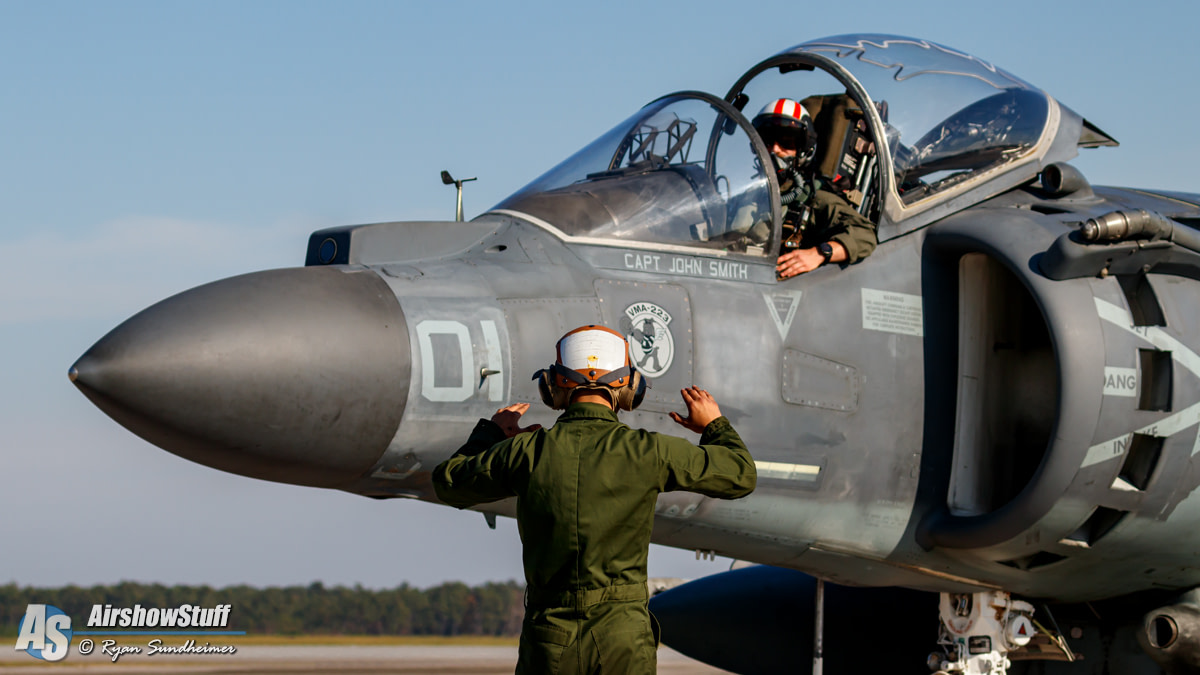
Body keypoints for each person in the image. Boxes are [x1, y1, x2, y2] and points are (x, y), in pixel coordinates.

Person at [432, 325, 756, 674]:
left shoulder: (524, 453)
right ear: (631, 387)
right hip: (622, 639)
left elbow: (449, 482)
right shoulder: (650, 452)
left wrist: (492, 434)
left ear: (554, 386)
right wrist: (714, 425)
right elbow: (740, 474)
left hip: (550, 636)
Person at [752, 98, 878, 279]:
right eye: (767, 141)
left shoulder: (811, 198)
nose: (774, 150)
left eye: (787, 142)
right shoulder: (746, 197)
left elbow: (865, 235)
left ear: (804, 149)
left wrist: (818, 254)